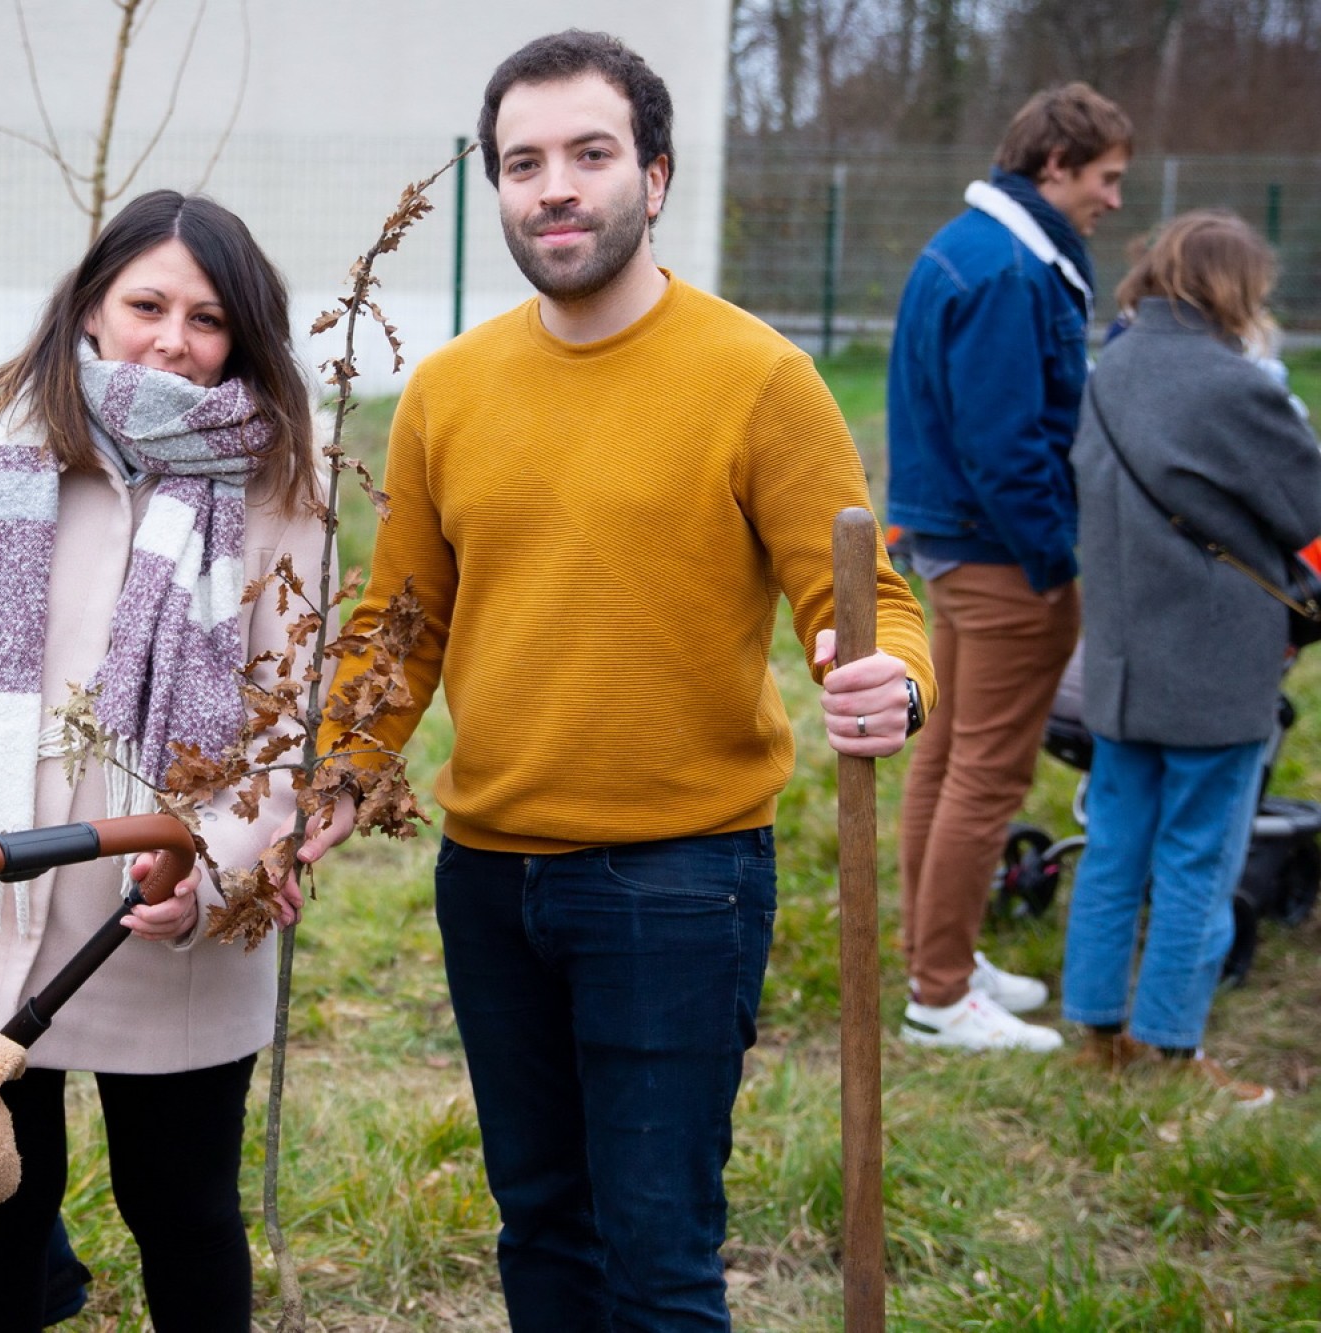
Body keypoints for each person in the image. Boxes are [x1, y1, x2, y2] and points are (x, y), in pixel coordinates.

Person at [284, 31, 934, 1332]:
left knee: (658, 1261)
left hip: (679, 880)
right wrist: (337, 774)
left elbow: (874, 605)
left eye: (588, 153)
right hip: (489, 877)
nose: (555, 187)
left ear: (656, 170)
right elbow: (398, 625)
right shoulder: (449, 393)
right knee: (541, 1231)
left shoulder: (758, 377)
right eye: (523, 164)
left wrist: (890, 684)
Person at [0, 189, 321, 1331]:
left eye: (206, 318)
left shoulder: (277, 482)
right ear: (92, 309)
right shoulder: (2, 442)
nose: (172, 338)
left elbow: (280, 720)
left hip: (161, 912)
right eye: (146, 303)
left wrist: (213, 872)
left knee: (181, 1207)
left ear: (242, 334)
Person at [886, 83, 1133, 1052]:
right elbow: (1004, 444)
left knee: (946, 761)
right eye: (1105, 179)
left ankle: (935, 954)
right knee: (983, 776)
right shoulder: (1004, 269)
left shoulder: (977, 246)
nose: (1112, 200)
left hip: (956, 546)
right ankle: (939, 998)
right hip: (999, 555)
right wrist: (1052, 561)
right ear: (1053, 166)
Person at [1060, 210, 1321, 1108]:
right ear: (1235, 287)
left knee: (1113, 849)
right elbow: (1308, 504)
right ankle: (1171, 1044)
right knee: (1199, 858)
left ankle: (1096, 1032)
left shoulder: (1109, 367)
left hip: (1123, 657)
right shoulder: (1235, 385)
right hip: (1213, 660)